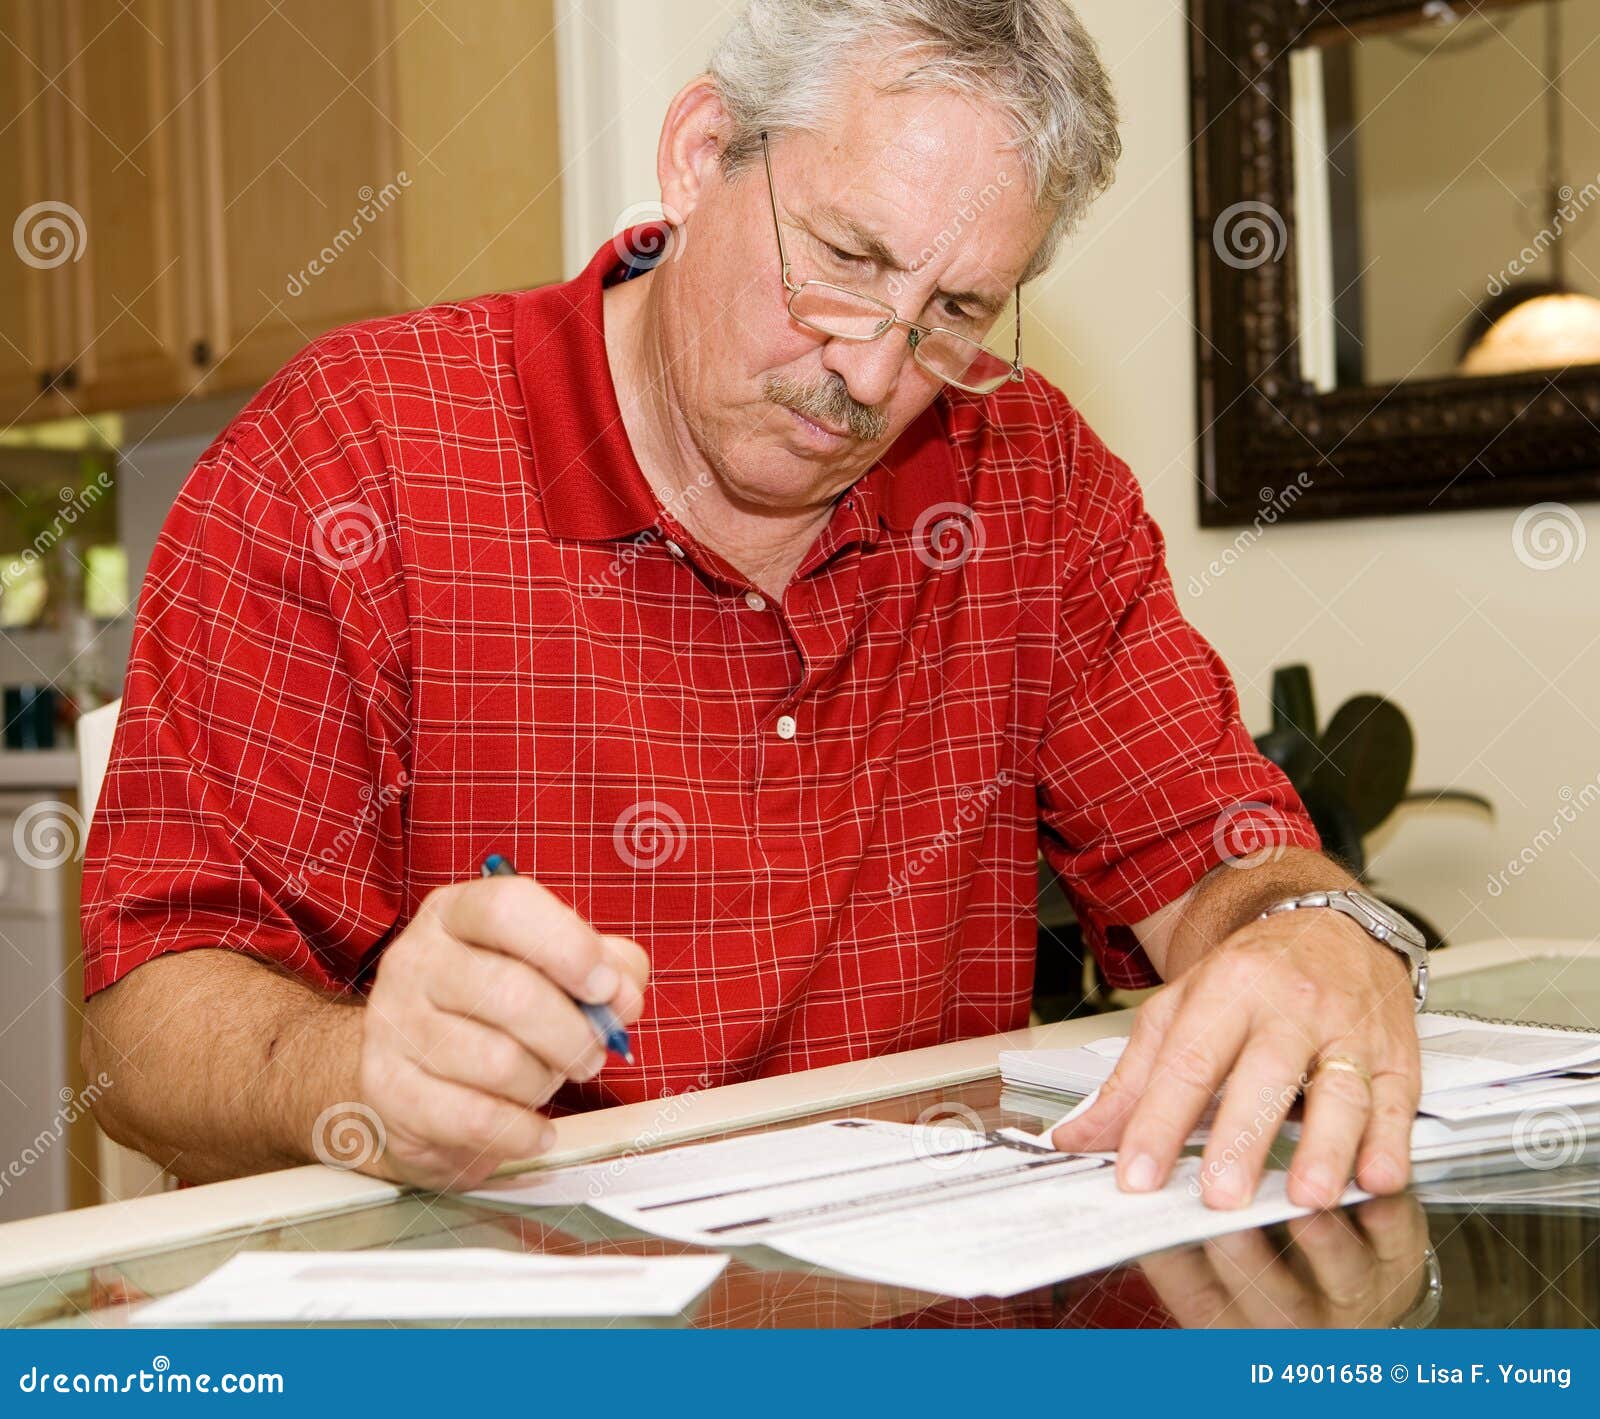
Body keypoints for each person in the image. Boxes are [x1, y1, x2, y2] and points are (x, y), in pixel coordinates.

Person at [82, 0, 1421, 1205]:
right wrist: (363, 1071)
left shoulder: (1026, 478)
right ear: (702, 152)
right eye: (842, 258)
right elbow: (140, 1032)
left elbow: (1214, 857)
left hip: (903, 1323)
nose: (872, 370)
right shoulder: (357, 453)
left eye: (953, 310)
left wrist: (1312, 931)